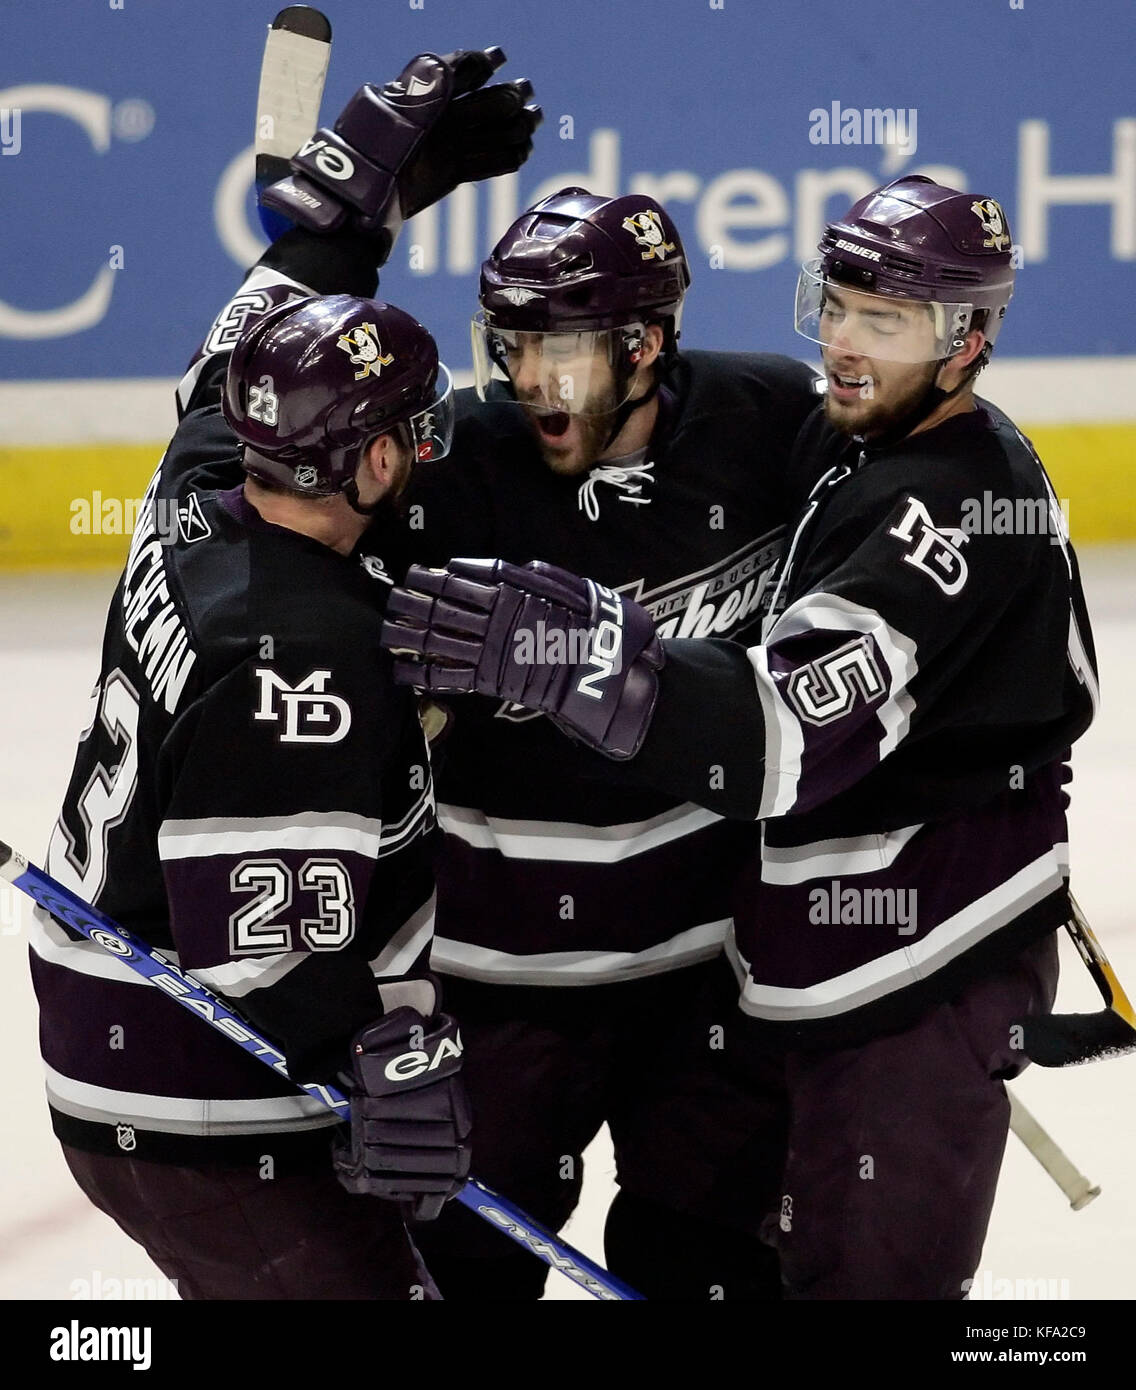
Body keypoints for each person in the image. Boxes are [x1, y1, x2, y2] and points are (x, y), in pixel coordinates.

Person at [382, 175, 1100, 1299]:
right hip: (671, 981)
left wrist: (578, 659)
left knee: (814, 1276)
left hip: (879, 975)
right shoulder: (829, 444)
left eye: (888, 321)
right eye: (840, 306)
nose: (848, 347)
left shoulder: (914, 495)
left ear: (966, 341)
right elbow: (261, 475)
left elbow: (777, 740)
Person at [28, 46, 539, 1301]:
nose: (432, 447)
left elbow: (238, 348)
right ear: (364, 467)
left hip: (121, 1044)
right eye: (411, 432)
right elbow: (255, 944)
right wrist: (381, 1059)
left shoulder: (198, 487)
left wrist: (339, 223)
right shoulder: (306, 660)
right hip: (203, 1102)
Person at [396, 187, 823, 1299]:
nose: (528, 376)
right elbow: (242, 509)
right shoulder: (446, 472)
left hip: (707, 983)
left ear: (645, 343)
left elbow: (928, 513)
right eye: (512, 343)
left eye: (561, 348)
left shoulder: (770, 420)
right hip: (494, 989)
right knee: (461, 1274)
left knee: (715, 1268)